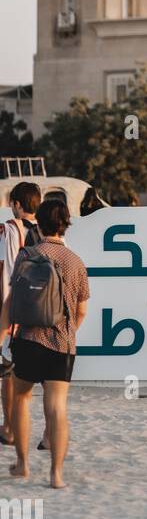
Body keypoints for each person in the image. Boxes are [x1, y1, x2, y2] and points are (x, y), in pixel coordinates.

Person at [0, 198, 90, 489]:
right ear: (66, 224)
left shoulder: (27, 254)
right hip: (61, 343)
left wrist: (1, 334)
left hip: (27, 339)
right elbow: (81, 310)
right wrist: (68, 333)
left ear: (38, 222)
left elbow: (11, 302)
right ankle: (56, 474)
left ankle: (23, 465)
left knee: (20, 398)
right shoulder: (75, 261)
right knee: (57, 408)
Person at [0, 182, 42, 446]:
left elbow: (7, 274)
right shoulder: (47, 229)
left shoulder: (11, 229)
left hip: (16, 308)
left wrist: (5, 317)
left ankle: (10, 428)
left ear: (17, 204)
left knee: (8, 372)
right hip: (43, 309)